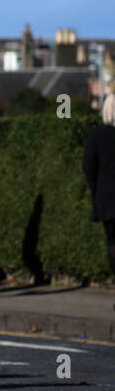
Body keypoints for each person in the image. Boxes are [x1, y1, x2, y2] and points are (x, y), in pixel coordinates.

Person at [83, 93, 115, 282]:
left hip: (107, 197)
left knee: (113, 242)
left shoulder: (96, 135)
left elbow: (88, 166)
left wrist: (95, 189)